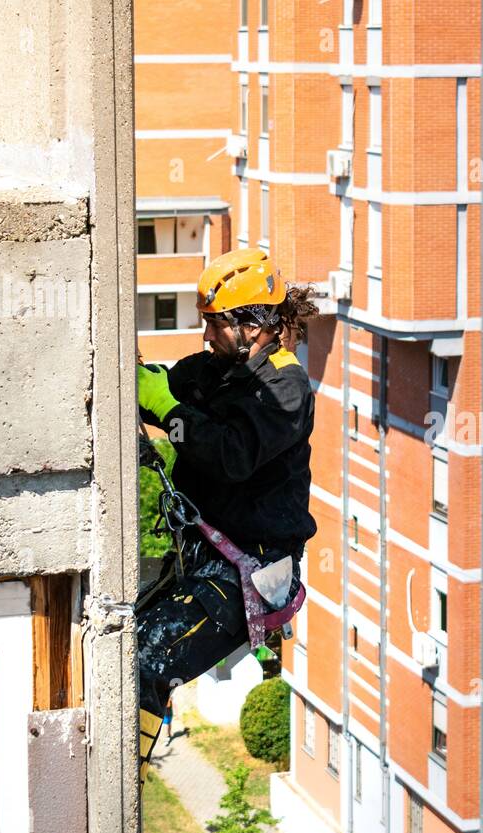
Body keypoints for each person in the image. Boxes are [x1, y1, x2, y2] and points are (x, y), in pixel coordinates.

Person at [134, 248, 318, 782]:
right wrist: (142, 385)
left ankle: (119, 781)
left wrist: (168, 411)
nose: (207, 335)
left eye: (216, 324)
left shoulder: (283, 389)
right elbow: (169, 388)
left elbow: (231, 454)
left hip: (242, 576)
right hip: (203, 560)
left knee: (142, 664)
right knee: (118, 641)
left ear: (252, 325)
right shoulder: (219, 370)